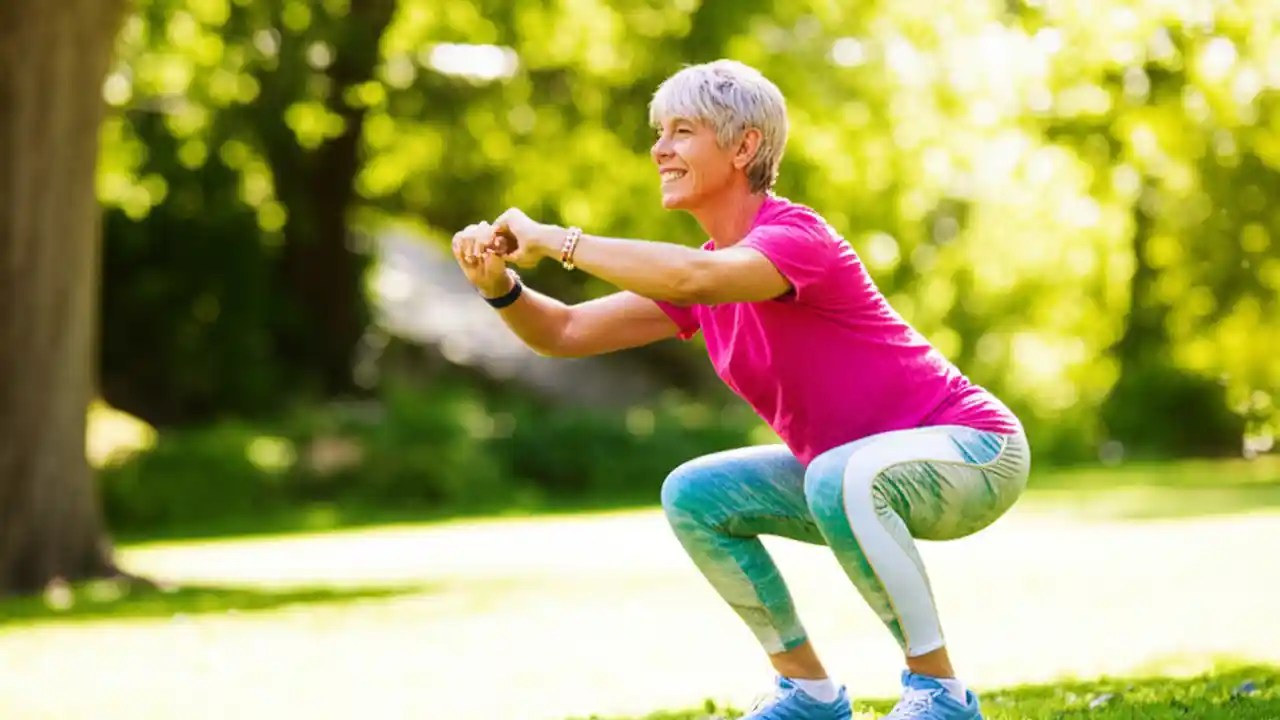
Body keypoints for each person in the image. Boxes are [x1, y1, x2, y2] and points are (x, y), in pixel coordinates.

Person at [450, 59, 1030, 720]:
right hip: (848, 475)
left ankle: (942, 695)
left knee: (836, 475)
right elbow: (567, 330)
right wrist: (501, 288)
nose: (659, 148)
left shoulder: (794, 240)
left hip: (975, 452)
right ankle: (809, 693)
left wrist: (557, 241)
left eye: (681, 131)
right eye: (659, 132)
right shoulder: (704, 273)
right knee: (694, 496)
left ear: (744, 146)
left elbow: (696, 278)